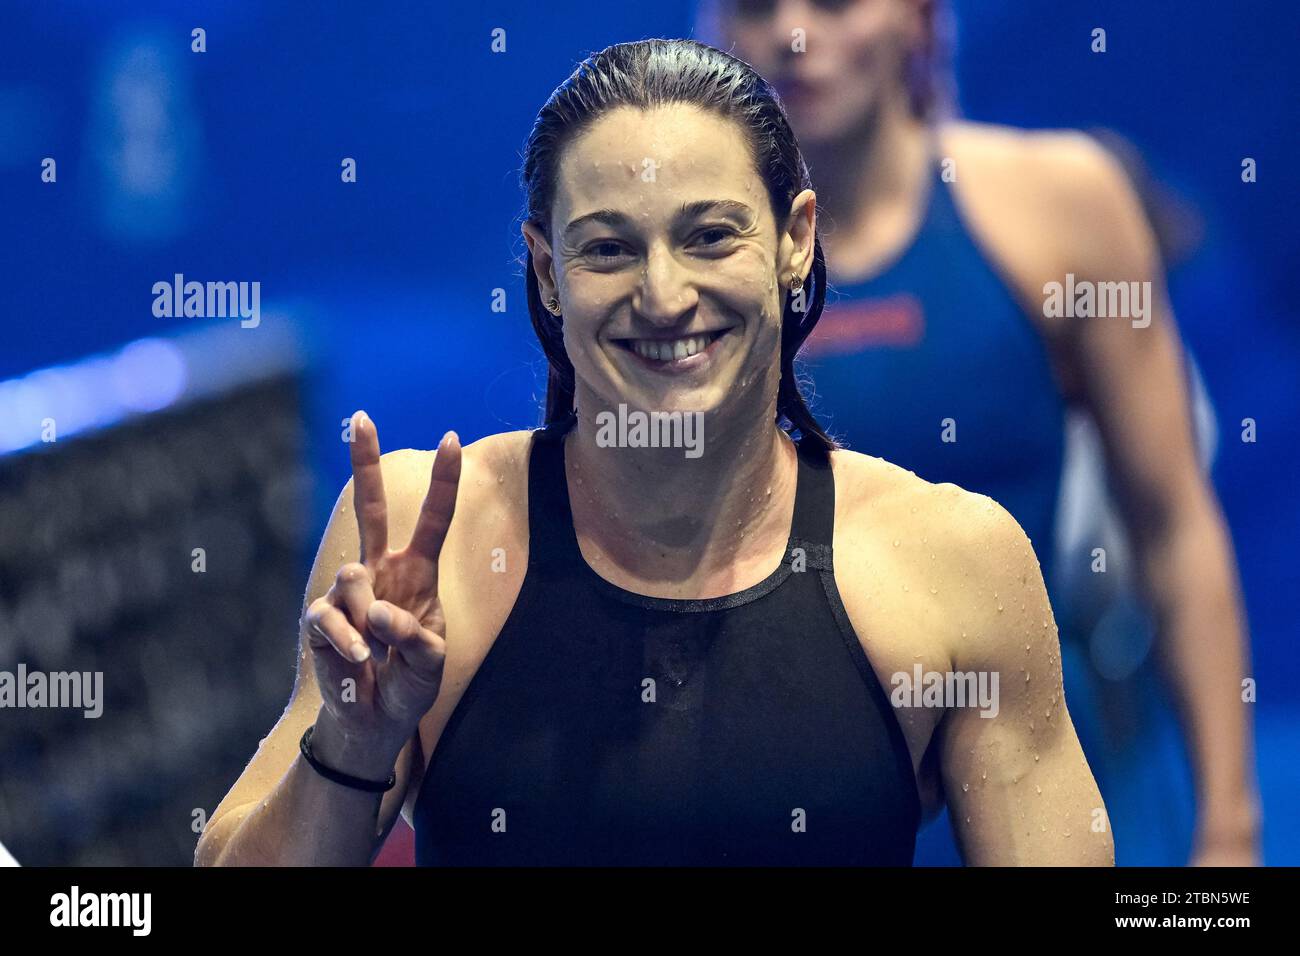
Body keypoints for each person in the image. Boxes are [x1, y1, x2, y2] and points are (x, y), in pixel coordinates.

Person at [194, 38, 1111, 866]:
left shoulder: (952, 560)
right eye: (608, 250)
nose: (664, 295)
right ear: (548, 274)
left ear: (795, 242)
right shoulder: (429, 551)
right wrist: (355, 744)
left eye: (710, 236)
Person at [707, 0, 1258, 864]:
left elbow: (1174, 528)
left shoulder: (1059, 205)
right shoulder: (680, 260)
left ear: (919, 19)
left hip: (1042, 777)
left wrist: (1229, 833)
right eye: (756, 6)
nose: (794, 34)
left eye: (837, 3)